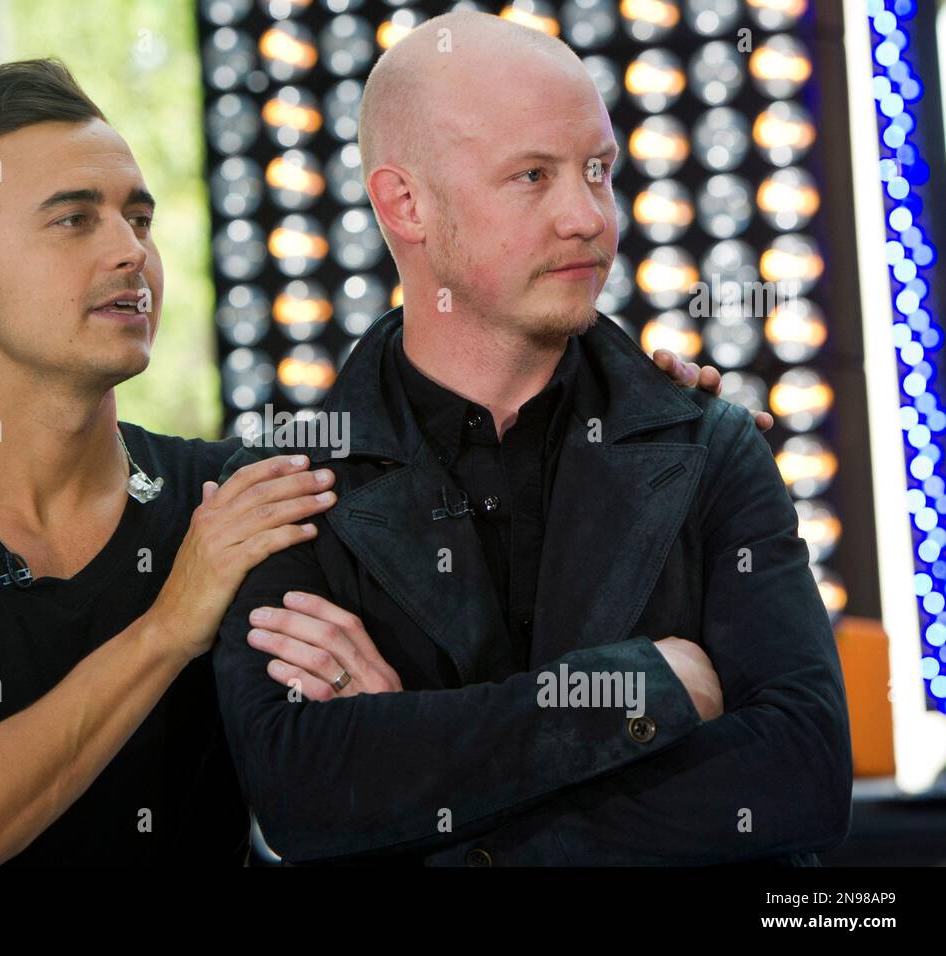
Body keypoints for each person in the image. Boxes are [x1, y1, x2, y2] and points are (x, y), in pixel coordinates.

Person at [0, 55, 750, 867]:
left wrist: (620, 406)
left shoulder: (250, 491)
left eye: (137, 215)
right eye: (73, 218)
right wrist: (172, 621)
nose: (129, 251)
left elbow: (449, 727)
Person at [211, 12, 851, 865]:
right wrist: (643, 692)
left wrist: (433, 789)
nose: (587, 217)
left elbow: (799, 776)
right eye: (532, 177)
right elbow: (304, 798)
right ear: (405, 204)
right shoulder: (287, 483)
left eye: (597, 171)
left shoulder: (712, 444)